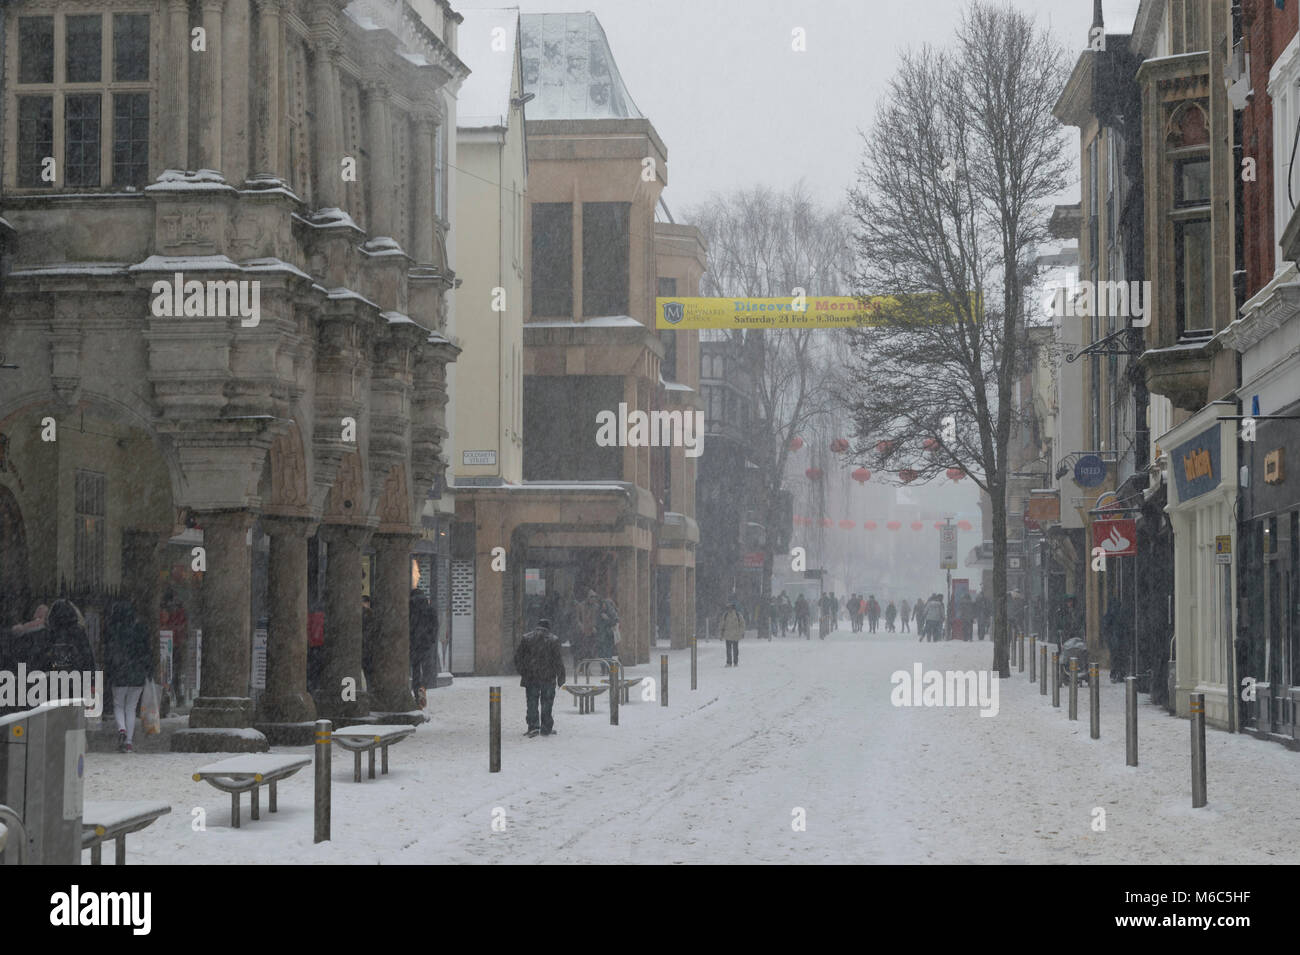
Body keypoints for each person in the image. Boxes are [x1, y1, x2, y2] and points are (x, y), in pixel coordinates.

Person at [105, 600, 153, 753]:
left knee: (118, 705)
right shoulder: (140, 629)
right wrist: (148, 670)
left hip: (119, 673)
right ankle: (129, 742)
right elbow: (147, 652)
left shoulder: (113, 630)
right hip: (137, 674)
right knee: (131, 708)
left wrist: (110, 671)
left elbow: (109, 654)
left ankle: (121, 729)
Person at [514, 618, 566, 737]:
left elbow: (518, 658)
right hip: (548, 677)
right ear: (548, 628)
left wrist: (523, 671)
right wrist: (561, 677)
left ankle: (533, 726)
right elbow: (558, 660)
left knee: (532, 701)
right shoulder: (553, 640)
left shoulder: (526, 638)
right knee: (547, 702)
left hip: (531, 677)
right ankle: (546, 727)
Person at [409, 589, 439, 706]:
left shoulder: (410, 608)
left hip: (414, 644)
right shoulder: (430, 609)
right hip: (426, 644)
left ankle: (417, 696)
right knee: (428, 670)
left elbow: (408, 625)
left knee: (415, 671)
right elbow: (435, 626)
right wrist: (431, 639)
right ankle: (423, 686)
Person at [575, 589, 600, 664]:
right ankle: (581, 666)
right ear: (587, 597)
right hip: (582, 632)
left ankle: (587, 667)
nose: (593, 598)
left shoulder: (596, 606)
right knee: (582, 651)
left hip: (592, 632)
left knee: (590, 651)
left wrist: (595, 627)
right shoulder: (580, 605)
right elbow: (577, 618)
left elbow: (597, 619)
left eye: (595, 597)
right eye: (591, 597)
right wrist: (580, 626)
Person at [719, 599, 745, 667]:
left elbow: (742, 624)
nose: (729, 609)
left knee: (735, 650)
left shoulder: (738, 615)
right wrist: (721, 634)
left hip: (735, 635)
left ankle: (735, 662)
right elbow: (722, 625)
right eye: (728, 607)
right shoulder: (725, 615)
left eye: (730, 607)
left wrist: (741, 632)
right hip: (728, 635)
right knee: (728, 650)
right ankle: (729, 662)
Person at [597, 594, 620, 659]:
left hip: (610, 636)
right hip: (603, 636)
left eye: (605, 604)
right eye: (603, 604)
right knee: (603, 653)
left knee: (611, 654)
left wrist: (607, 619)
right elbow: (598, 623)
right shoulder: (600, 612)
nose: (603, 606)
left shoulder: (612, 613)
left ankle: (612, 669)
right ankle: (604, 668)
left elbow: (615, 622)